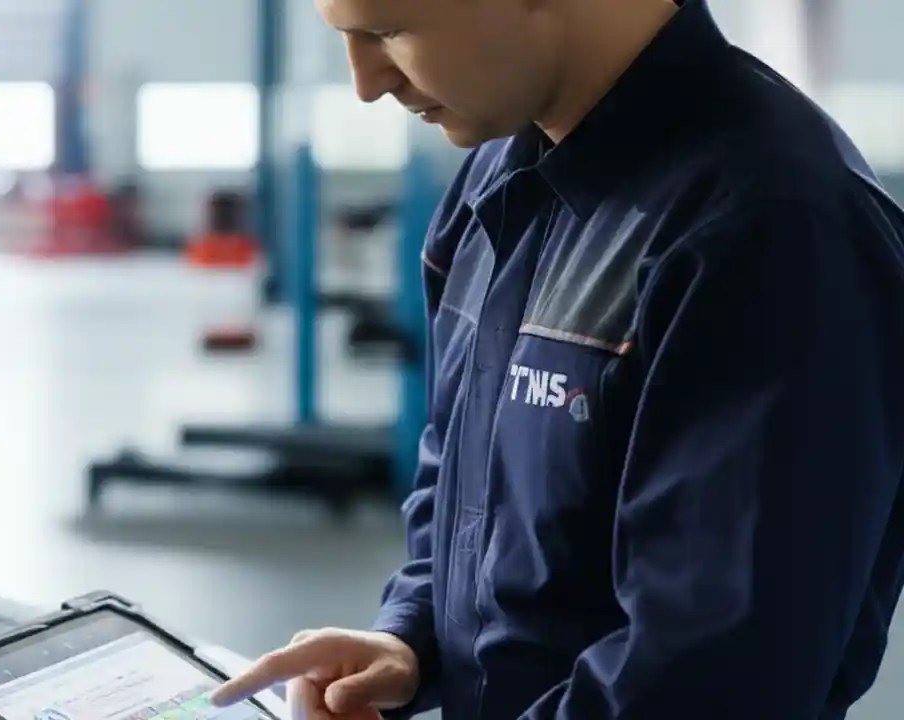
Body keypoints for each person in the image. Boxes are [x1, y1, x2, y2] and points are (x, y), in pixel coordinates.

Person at [209, 0, 904, 717]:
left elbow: (711, 674)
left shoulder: (771, 231)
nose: (366, 84)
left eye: (389, 32)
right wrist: (413, 637)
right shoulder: (496, 182)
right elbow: (463, 481)